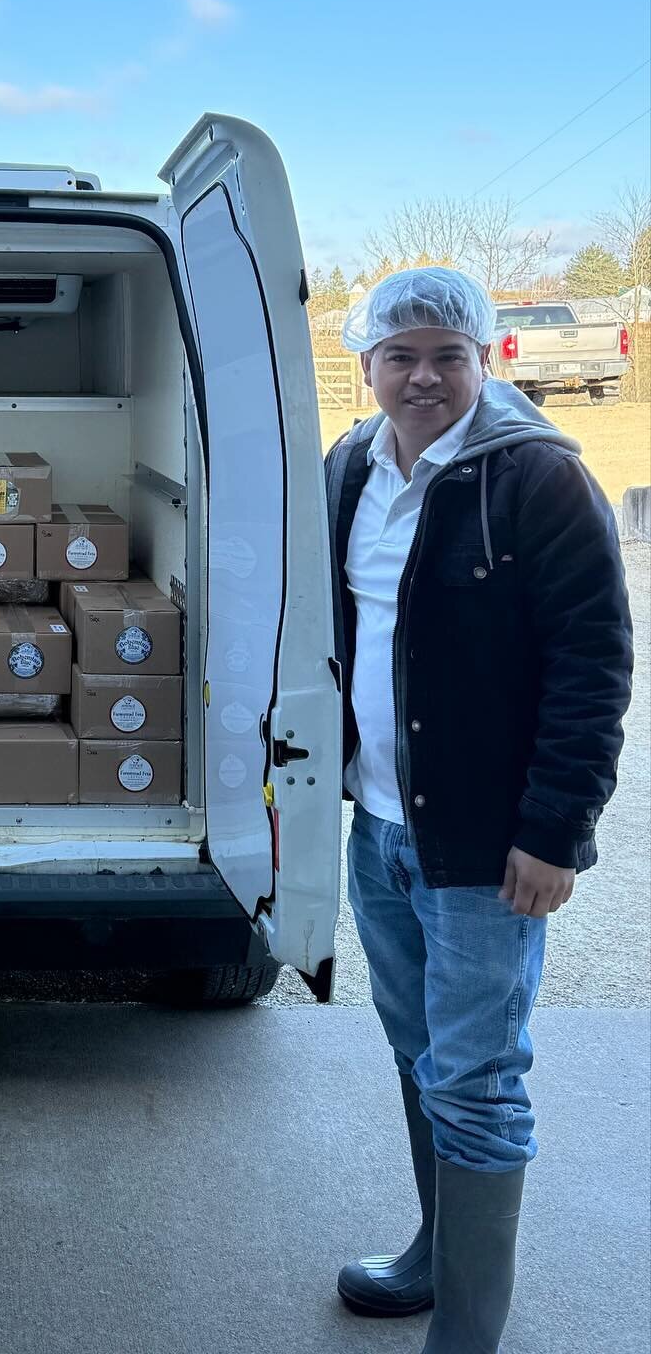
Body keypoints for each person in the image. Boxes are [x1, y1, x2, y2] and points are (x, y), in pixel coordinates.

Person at [324, 267, 632, 1352]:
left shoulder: (536, 478)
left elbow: (592, 664)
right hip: (380, 828)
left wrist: (553, 832)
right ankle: (428, 1252)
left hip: (486, 851)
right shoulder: (352, 466)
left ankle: (467, 1336)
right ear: (363, 364)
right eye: (399, 356)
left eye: (447, 357)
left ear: (484, 359)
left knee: (477, 1078)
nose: (422, 377)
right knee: (419, 1055)